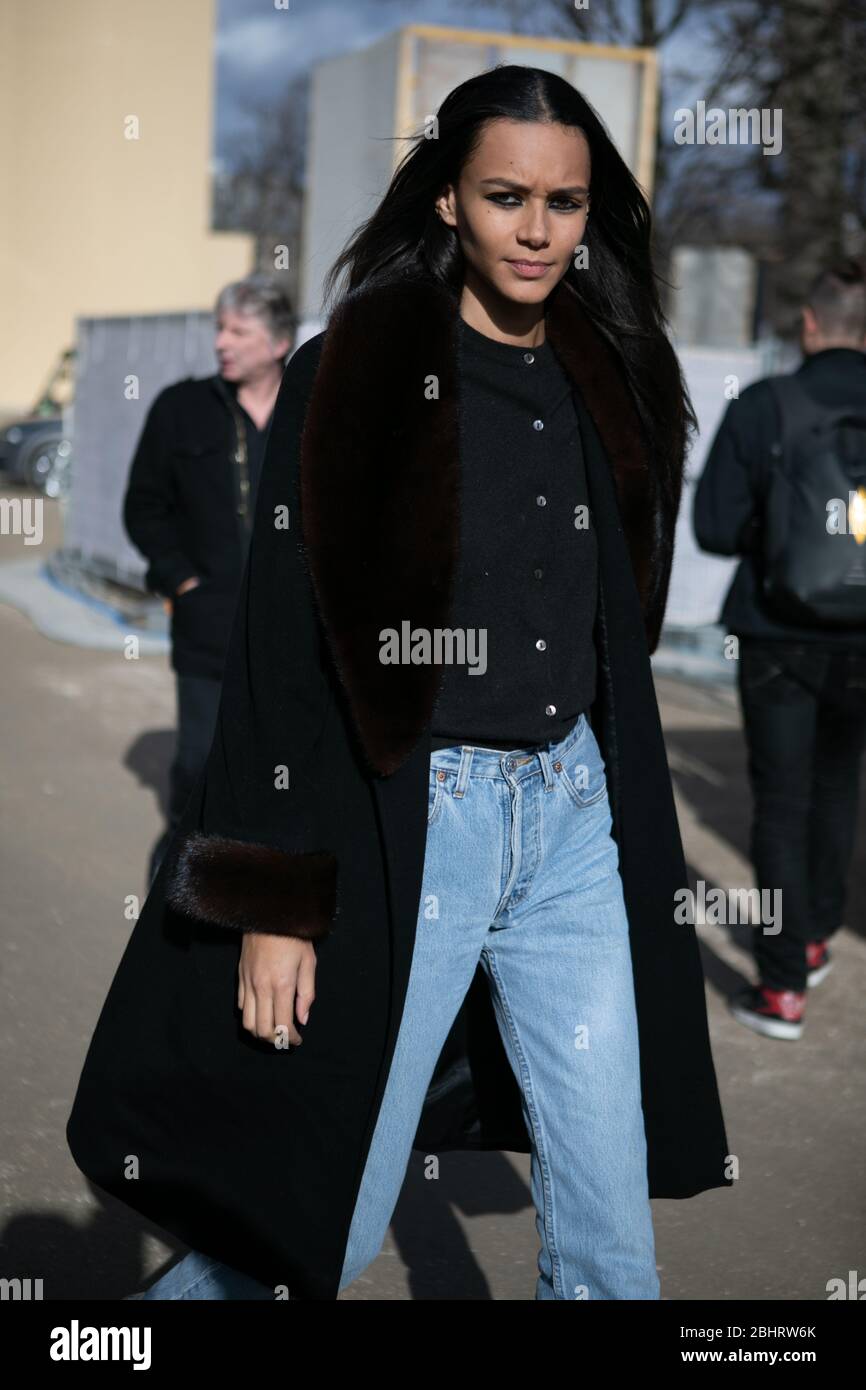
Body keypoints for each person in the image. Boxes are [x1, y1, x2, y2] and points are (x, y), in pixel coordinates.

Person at [68, 64, 732, 1303]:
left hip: (573, 822)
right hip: (414, 827)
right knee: (326, 1202)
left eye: (566, 203)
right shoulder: (355, 369)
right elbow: (280, 647)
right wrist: (270, 897)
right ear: (444, 200)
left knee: (605, 1207)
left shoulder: (615, 365)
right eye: (503, 197)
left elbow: (610, 612)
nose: (538, 231)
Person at [693, 259, 866, 1041]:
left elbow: (715, 529)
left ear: (808, 322)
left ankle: (782, 986)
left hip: (775, 634)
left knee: (782, 801)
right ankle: (819, 936)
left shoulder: (768, 405)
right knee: (838, 789)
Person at [122, 275, 293, 883]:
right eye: (219, 328)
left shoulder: (309, 409)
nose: (221, 342)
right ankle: (174, 900)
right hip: (207, 628)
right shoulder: (181, 408)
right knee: (197, 766)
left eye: (237, 331)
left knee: (282, 771)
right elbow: (143, 506)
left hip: (290, 634)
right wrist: (181, 581)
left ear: (277, 343)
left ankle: (256, 905)